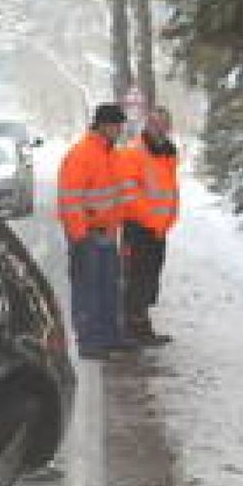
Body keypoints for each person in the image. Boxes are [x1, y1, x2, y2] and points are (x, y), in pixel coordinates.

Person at [57, 103, 138, 361]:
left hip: (106, 235)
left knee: (108, 288)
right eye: (116, 125)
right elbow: (70, 200)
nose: (119, 130)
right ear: (103, 125)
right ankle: (89, 340)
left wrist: (118, 230)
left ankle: (110, 336)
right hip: (87, 235)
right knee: (87, 288)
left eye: (121, 126)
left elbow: (114, 198)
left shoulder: (111, 154)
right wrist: (79, 236)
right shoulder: (82, 155)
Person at [119, 106, 179, 344]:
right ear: (147, 126)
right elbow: (129, 195)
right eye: (155, 124)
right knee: (135, 278)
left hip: (158, 229)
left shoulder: (167, 154)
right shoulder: (133, 154)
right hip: (137, 228)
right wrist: (153, 221)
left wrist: (166, 220)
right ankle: (130, 329)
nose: (160, 129)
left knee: (150, 279)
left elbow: (168, 191)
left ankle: (142, 328)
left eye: (164, 124)